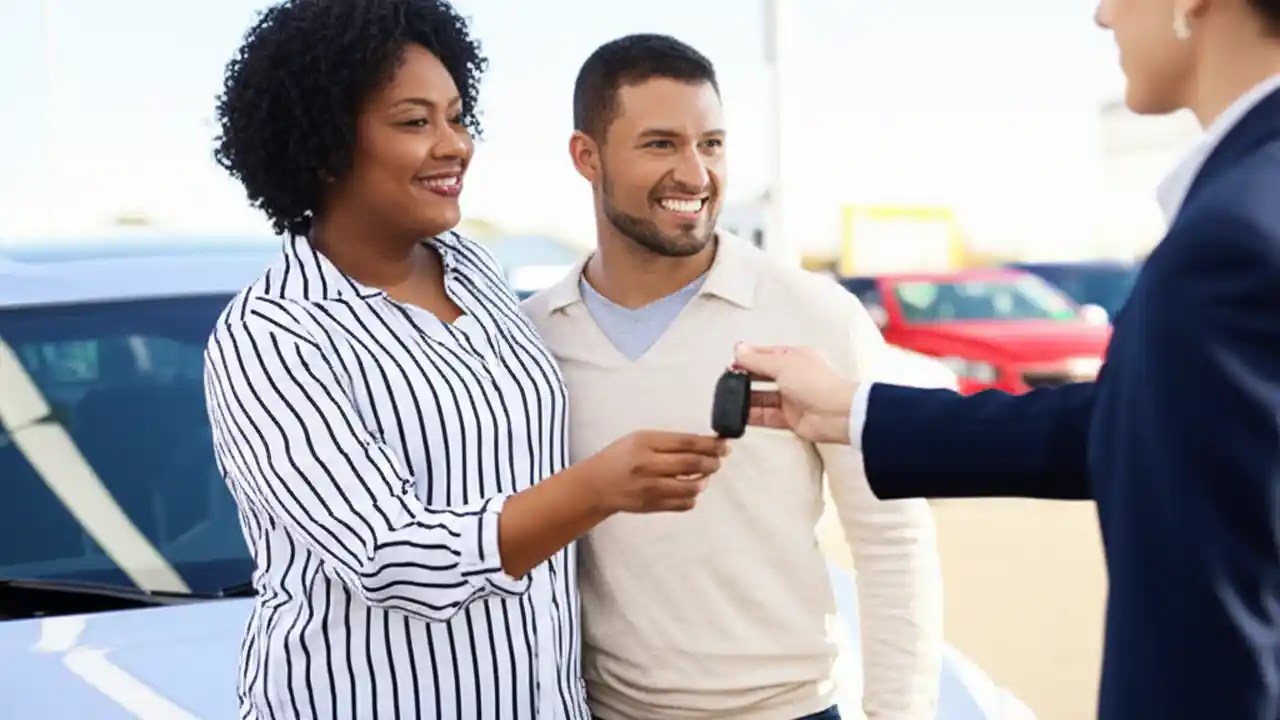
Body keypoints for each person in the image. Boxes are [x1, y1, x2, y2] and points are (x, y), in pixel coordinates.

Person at [732, 1, 1280, 718]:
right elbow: (1131, 427)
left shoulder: (1233, 236)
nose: (1102, 16)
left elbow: (1223, 631)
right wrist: (854, 410)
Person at [203, 3, 728, 718]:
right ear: (325, 146)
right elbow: (389, 557)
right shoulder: (274, 334)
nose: (455, 145)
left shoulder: (475, 271)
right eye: (416, 122)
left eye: (456, 116)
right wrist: (597, 488)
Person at [522, 34, 944, 720]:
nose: (695, 173)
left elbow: (892, 536)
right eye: (661, 144)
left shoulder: (815, 315)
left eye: (711, 144)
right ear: (586, 156)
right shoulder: (535, 337)